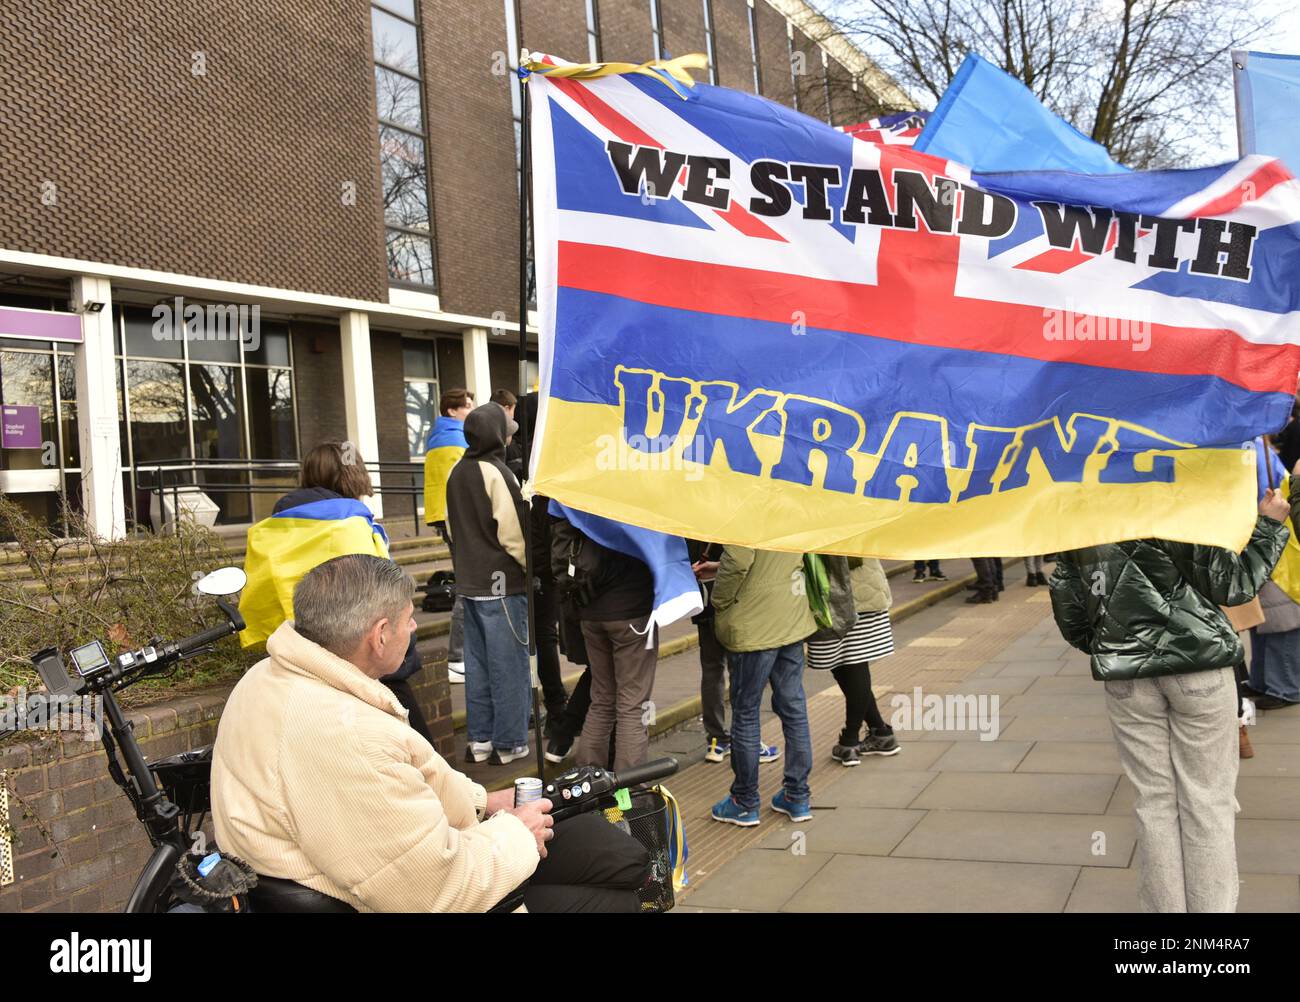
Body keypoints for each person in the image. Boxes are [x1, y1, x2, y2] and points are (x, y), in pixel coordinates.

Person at [213, 554, 650, 912]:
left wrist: (484, 801)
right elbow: (434, 890)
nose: (416, 626)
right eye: (408, 619)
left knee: (623, 859)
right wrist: (515, 832)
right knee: (618, 898)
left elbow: (403, 783)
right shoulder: (348, 735)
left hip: (387, 867)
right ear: (380, 637)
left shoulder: (269, 677)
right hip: (408, 894)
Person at [1050, 491, 1289, 912]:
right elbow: (1234, 585)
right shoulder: (1177, 498)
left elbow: (1071, 611)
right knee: (1206, 800)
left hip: (1126, 681)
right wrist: (1269, 524)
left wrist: (1112, 646)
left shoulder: (1079, 513)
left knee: (1153, 800)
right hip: (1199, 667)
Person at [238, 442, 433, 743]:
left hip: (297, 659)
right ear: (353, 474)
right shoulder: (354, 525)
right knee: (418, 756)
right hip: (360, 662)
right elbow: (386, 598)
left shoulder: (273, 527)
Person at [445, 402, 532, 765]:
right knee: (508, 665)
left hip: (470, 583)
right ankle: (510, 743)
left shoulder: (456, 471)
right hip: (502, 585)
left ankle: (479, 741)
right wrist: (531, 569)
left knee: (477, 666)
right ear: (497, 435)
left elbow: (452, 529)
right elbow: (513, 533)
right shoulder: (497, 473)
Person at [710, 547, 816, 827]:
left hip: (754, 623)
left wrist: (719, 600)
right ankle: (797, 796)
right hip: (790, 616)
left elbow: (738, 559)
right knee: (794, 708)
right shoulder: (792, 505)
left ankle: (744, 802)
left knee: (745, 712)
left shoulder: (750, 504)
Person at [551, 514, 658, 772]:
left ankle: (589, 781)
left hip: (589, 609)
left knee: (601, 700)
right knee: (633, 706)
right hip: (631, 609)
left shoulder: (581, 494)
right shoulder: (629, 495)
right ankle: (627, 794)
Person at [808, 557, 901, 766]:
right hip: (858, 593)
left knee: (853, 666)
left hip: (846, 598)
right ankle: (881, 732)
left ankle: (850, 740)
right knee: (845, 666)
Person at [424, 388, 474, 683]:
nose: (471, 410)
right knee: (468, 588)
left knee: (468, 586)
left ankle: (460, 656)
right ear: (452, 410)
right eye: (466, 406)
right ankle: (457, 657)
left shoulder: (438, 438)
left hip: (446, 519)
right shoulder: (456, 440)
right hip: (459, 521)